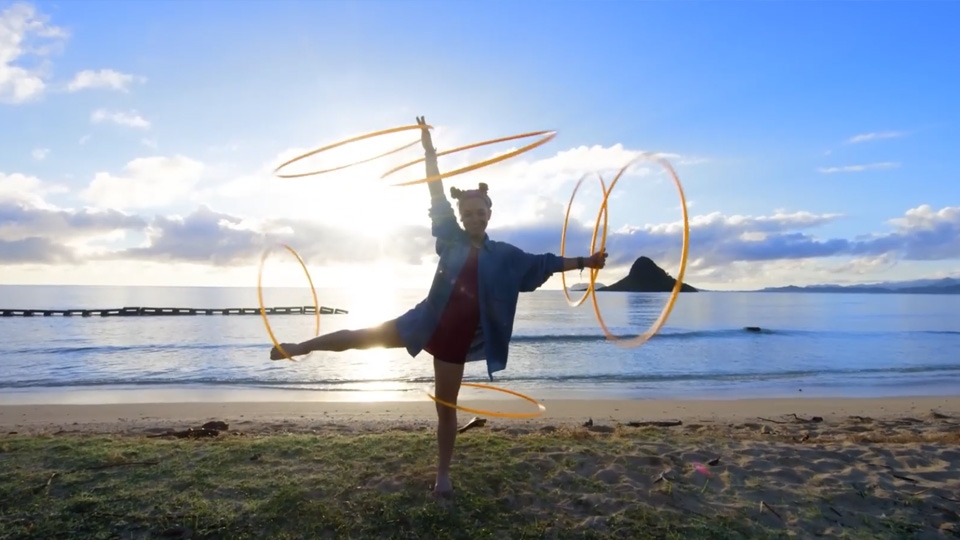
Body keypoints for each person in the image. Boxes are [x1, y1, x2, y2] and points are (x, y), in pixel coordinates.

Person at [270, 116, 608, 496]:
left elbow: (545, 262)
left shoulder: (506, 256)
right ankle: (301, 347)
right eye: (468, 213)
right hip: (424, 320)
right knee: (359, 336)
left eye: (480, 212)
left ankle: (443, 474)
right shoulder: (449, 236)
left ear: (490, 215)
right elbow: (434, 190)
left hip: (455, 342)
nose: (474, 218)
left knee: (446, 408)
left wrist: (586, 262)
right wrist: (428, 149)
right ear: (460, 217)